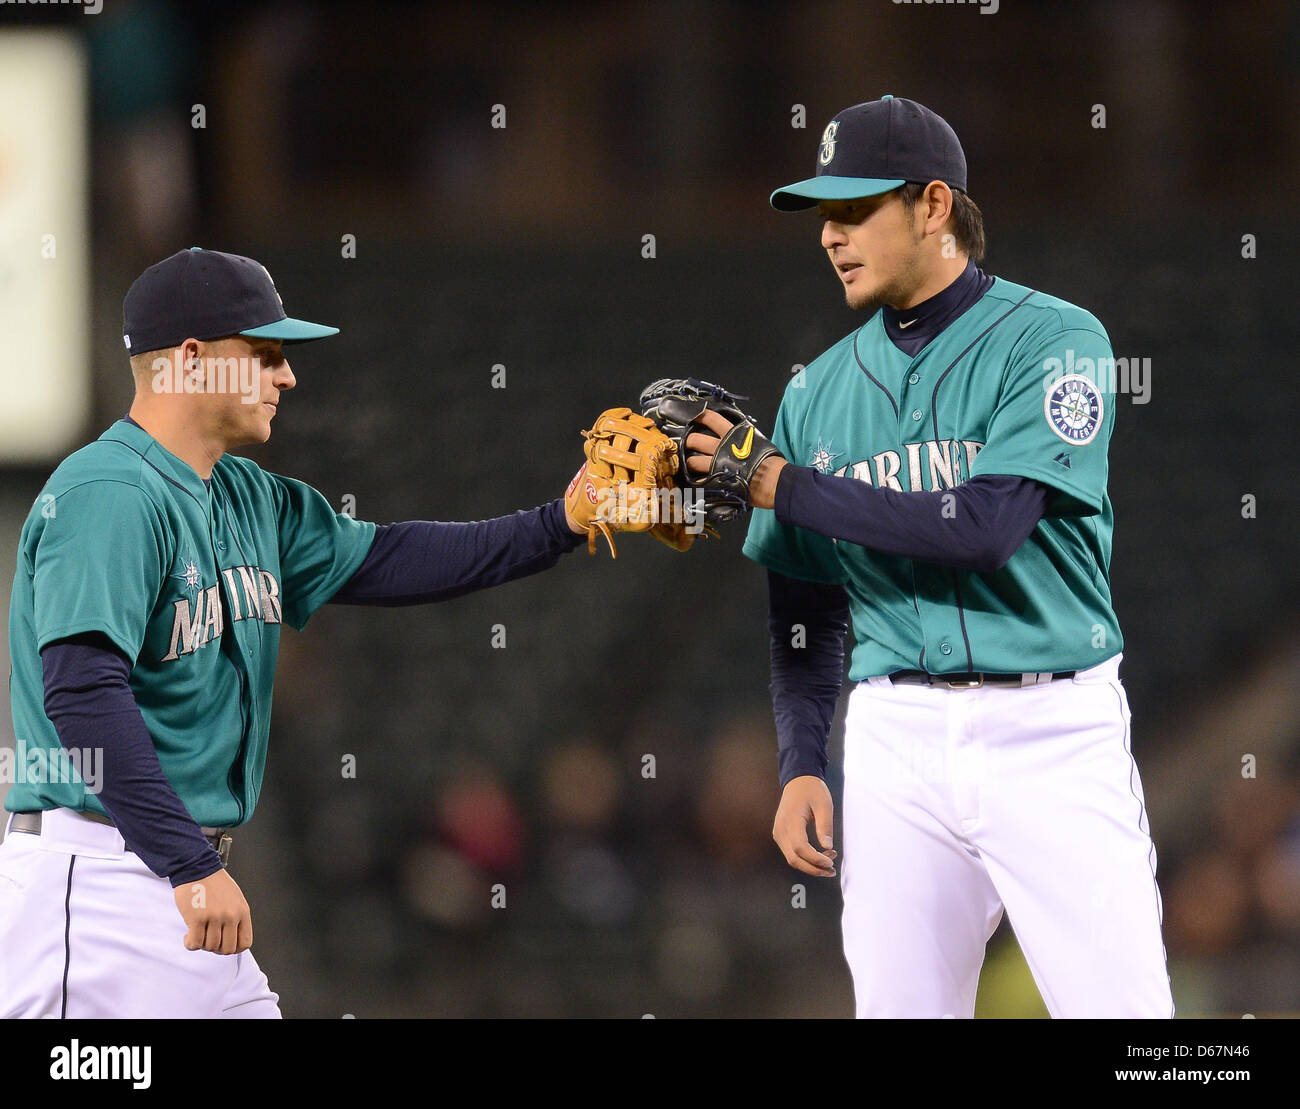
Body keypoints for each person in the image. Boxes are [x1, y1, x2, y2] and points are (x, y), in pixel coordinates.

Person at [0, 247, 652, 1018]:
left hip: (174, 881)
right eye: (266, 354)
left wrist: (562, 521)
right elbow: (79, 694)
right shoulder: (107, 493)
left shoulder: (250, 498)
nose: (288, 376)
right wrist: (185, 862)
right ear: (191, 358)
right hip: (98, 879)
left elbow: (395, 558)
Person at [686, 97, 1173, 1017]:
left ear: (934, 206)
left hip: (1051, 733)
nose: (831, 236)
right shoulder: (817, 393)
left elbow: (984, 530)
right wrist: (799, 762)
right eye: (823, 216)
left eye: (855, 209)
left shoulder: (1055, 340)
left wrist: (782, 483)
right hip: (891, 741)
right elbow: (803, 603)